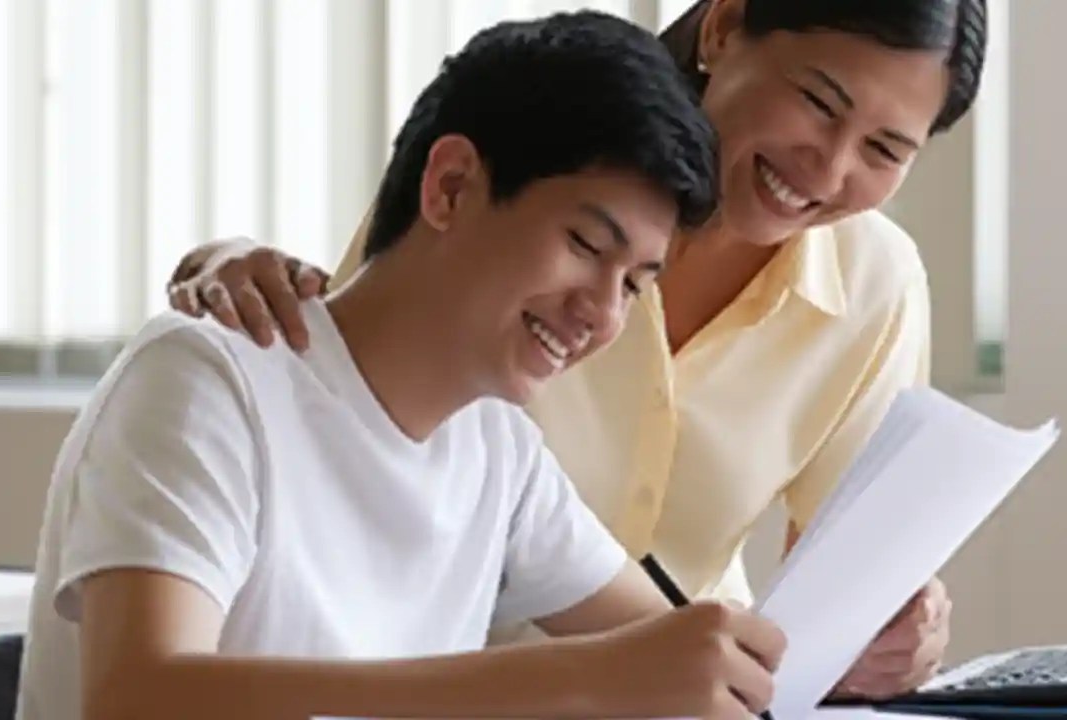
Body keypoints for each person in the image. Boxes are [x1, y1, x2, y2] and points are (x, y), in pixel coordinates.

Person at [169, 0, 986, 701]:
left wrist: (881, 639)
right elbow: (342, 370)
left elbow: (829, 600)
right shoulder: (534, 175)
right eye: (818, 100)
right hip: (414, 688)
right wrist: (224, 265)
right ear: (726, 26)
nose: (832, 165)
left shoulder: (877, 285)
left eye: (885, 150)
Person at [16, 11, 789, 720]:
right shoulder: (207, 381)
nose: (603, 314)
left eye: (633, 285)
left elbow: (680, 657)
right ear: (450, 186)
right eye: (586, 246)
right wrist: (577, 678)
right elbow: (138, 697)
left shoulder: (499, 451)